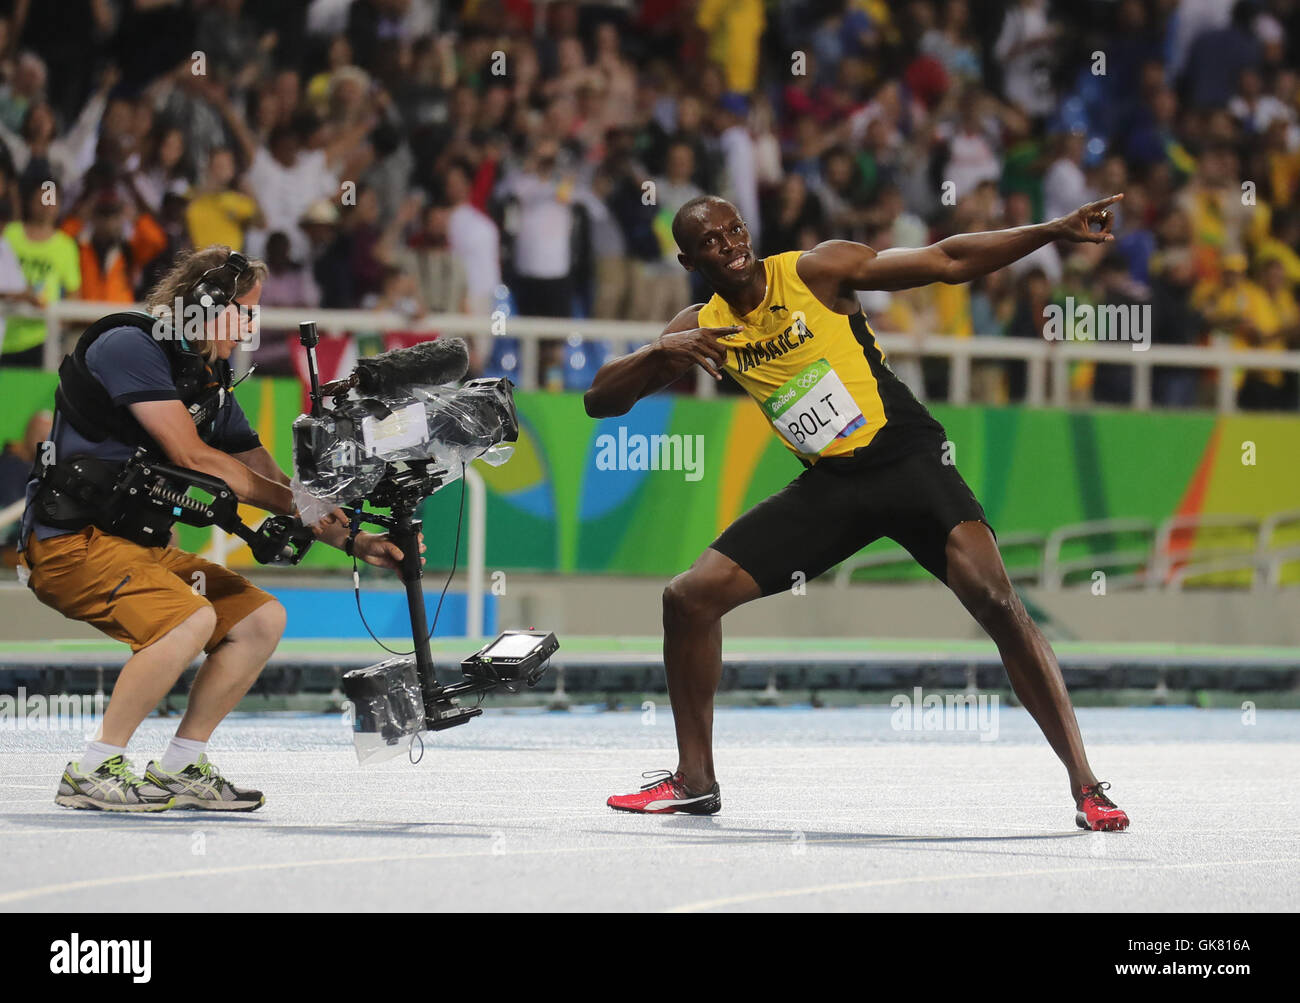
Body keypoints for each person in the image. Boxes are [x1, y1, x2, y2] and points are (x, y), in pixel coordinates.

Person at [585, 194, 1131, 832]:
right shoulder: (699, 325)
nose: (731, 244)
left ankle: (1087, 786)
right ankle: (695, 780)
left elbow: (948, 260)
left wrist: (1055, 228)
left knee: (998, 602)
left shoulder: (817, 271)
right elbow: (601, 402)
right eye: (711, 241)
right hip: (834, 484)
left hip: (907, 460)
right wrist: (661, 354)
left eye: (736, 229)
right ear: (687, 258)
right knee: (688, 599)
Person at [16, 245, 418, 812]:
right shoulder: (128, 346)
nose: (253, 326)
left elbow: (269, 477)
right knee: (190, 617)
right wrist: (297, 504)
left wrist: (356, 539)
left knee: (260, 620)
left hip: (134, 549)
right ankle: (91, 769)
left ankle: (180, 765)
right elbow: (195, 456)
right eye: (245, 311)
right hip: (67, 547)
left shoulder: (205, 379)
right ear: (204, 305)